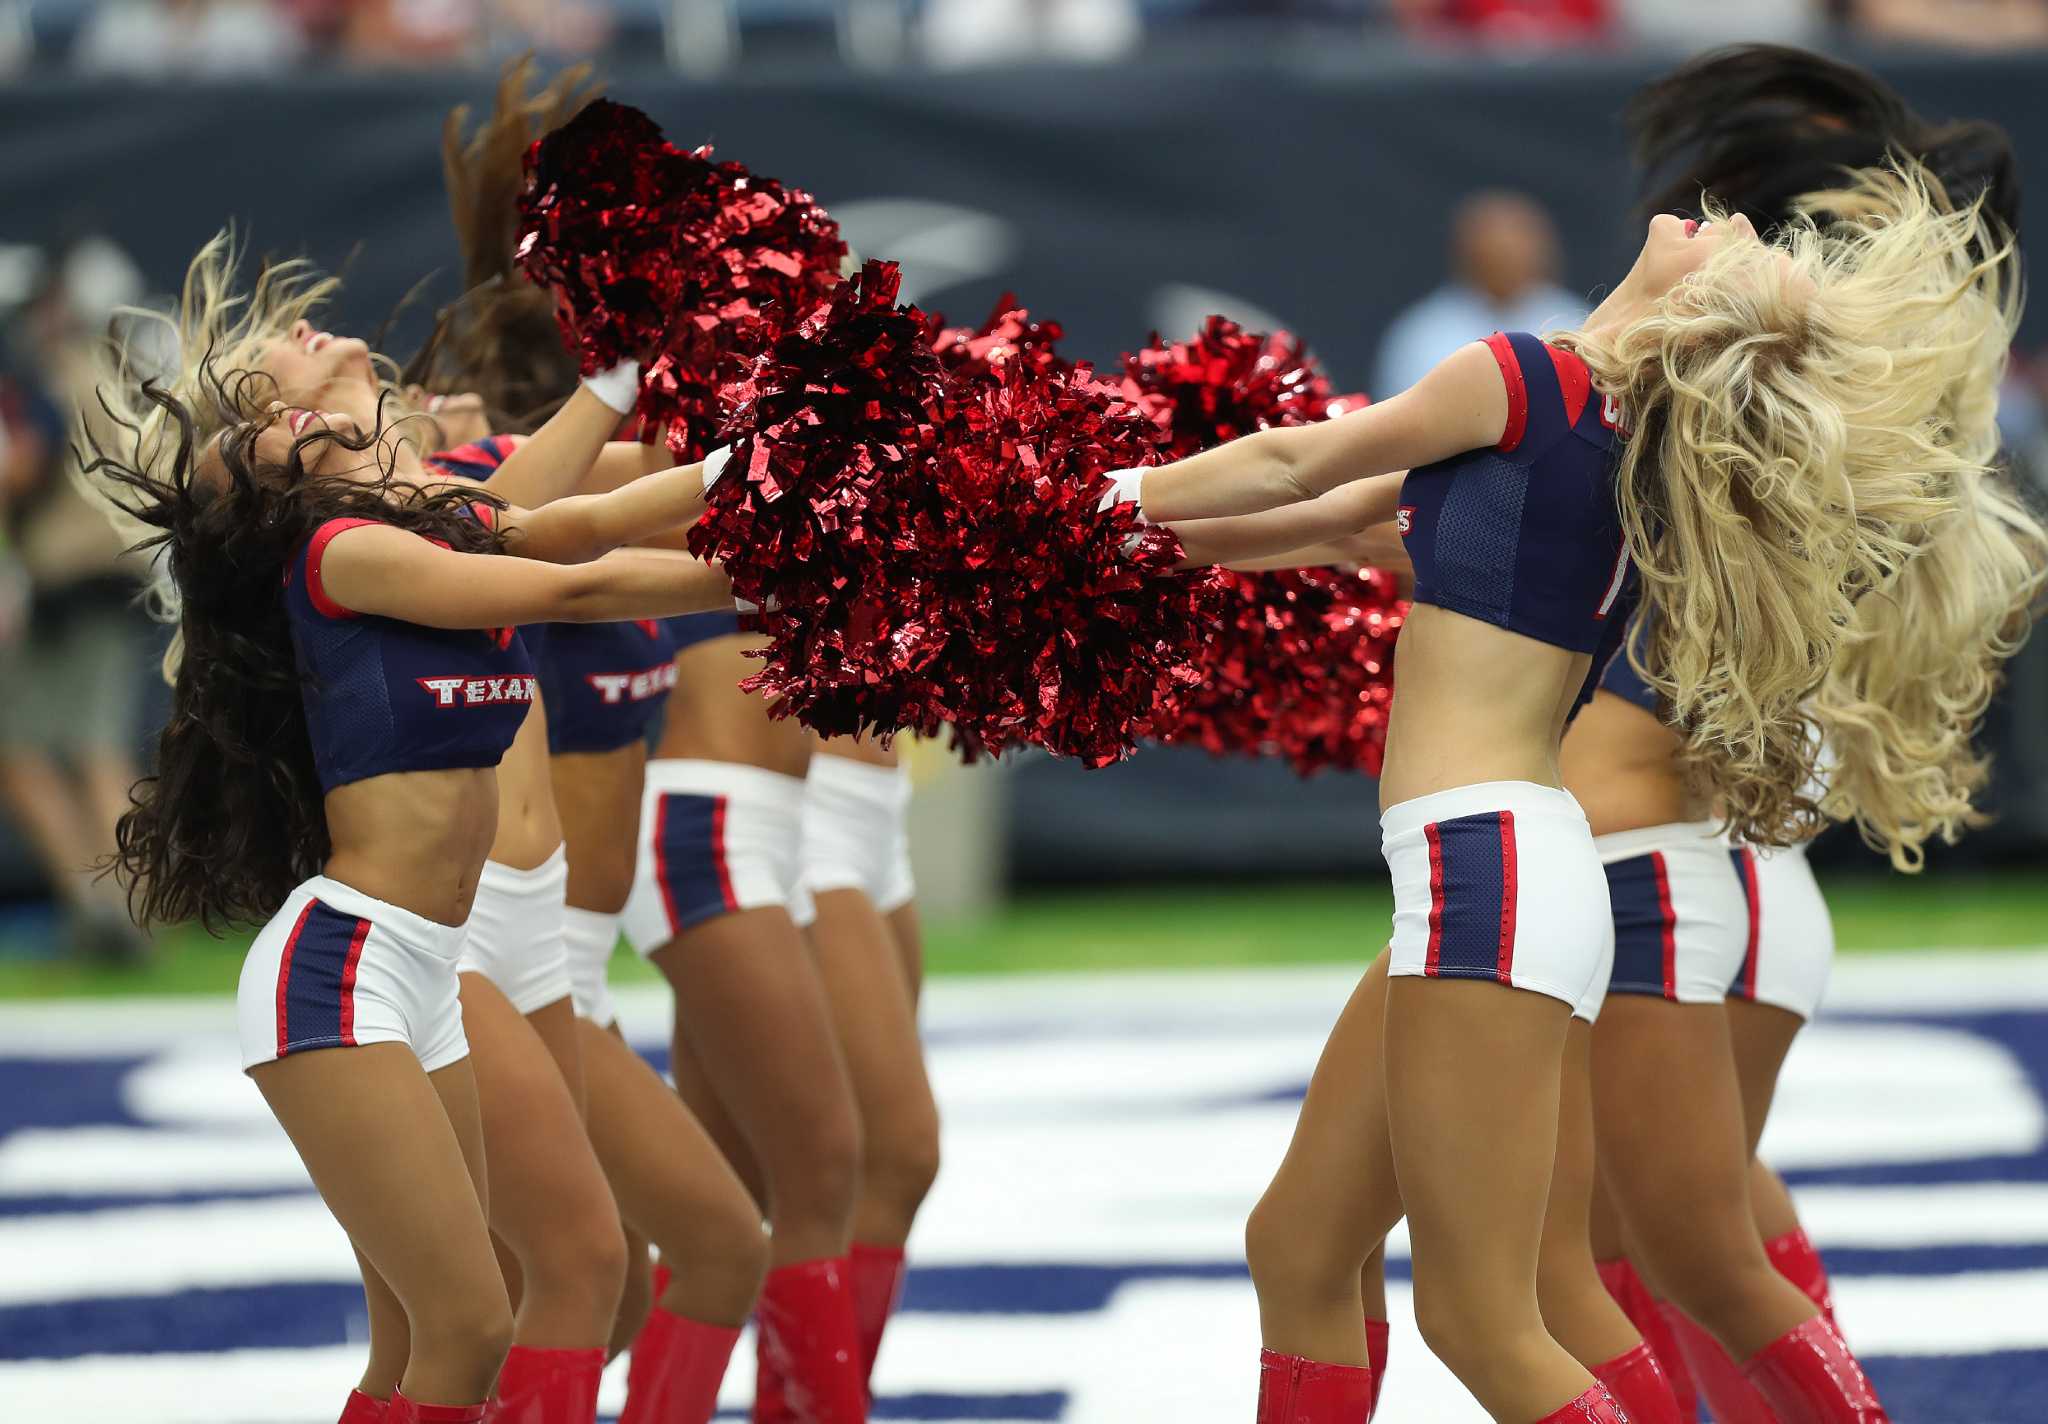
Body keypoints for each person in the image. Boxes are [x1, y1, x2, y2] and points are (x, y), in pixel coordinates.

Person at [1107, 156, 2013, 1423]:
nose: (1730, 215)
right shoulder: (1613, 441)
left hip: (1493, 863)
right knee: (1314, 1245)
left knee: (1491, 1314)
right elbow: (1333, 525)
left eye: (1747, 243)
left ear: (1711, 311)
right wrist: (1101, 553)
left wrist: (1082, 499)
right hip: (1516, 865)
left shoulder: (1531, 378)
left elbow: (1290, 463)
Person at [81, 235, 743, 1424]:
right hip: (347, 970)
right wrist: (794, 541)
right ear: (264, 480)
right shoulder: (347, 553)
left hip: (430, 967)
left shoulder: (432, 526)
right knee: (480, 1315)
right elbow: (578, 584)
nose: (309, 373)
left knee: (431, 1337)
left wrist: (778, 491)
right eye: (255, 421)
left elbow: (599, 525)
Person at [1372, 191, 1587, 397]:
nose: (1508, 263)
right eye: (1499, 253)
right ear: (1468, 254)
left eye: (1518, 248)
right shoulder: (1424, 334)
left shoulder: (1578, 322)